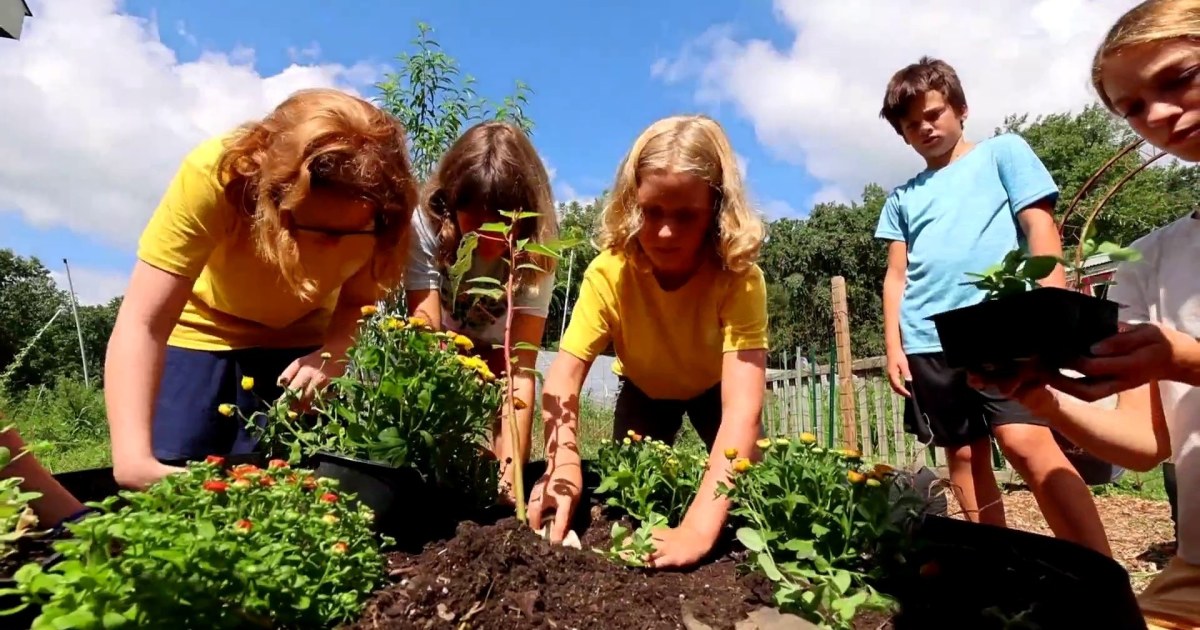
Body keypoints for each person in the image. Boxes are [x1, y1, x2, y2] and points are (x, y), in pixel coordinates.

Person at [975, 2, 1200, 626]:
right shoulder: (1150, 259)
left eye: (1179, 77)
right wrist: (1042, 400)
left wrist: (1187, 360)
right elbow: (1144, 445)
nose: (1155, 114)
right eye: (1131, 108)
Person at [104, 88, 419, 490]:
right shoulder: (216, 177)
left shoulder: (387, 209)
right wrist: (133, 459)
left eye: (351, 234)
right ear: (274, 196)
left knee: (301, 487)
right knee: (176, 486)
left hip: (304, 344)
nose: (333, 251)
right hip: (202, 333)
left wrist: (334, 353)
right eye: (318, 230)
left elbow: (358, 301)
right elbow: (143, 323)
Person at [873, 57, 1111, 556]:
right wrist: (894, 344)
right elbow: (896, 275)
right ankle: (994, 568)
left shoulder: (1003, 152)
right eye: (911, 123)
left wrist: (1052, 307)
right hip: (926, 339)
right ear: (902, 136)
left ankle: (1099, 571)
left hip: (998, 327)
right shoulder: (902, 197)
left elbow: (1039, 227)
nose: (925, 127)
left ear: (960, 109)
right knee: (962, 453)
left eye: (934, 113)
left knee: (1026, 444)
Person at [527, 114, 768, 569]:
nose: (664, 232)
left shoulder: (738, 278)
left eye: (686, 216)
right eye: (652, 211)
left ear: (717, 210)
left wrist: (697, 531)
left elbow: (742, 409)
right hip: (644, 391)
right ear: (631, 202)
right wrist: (562, 466)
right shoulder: (609, 273)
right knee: (628, 499)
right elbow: (563, 379)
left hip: (715, 393)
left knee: (749, 494)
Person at [403, 120, 558, 501]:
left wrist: (511, 483)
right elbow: (426, 341)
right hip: (446, 345)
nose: (489, 239)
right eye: (476, 223)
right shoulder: (425, 224)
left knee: (505, 477)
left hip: (500, 348)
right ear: (450, 203)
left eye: (500, 224)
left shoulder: (538, 248)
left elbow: (520, 368)